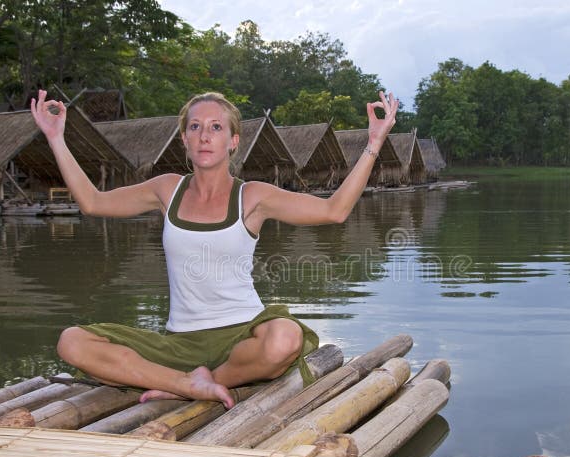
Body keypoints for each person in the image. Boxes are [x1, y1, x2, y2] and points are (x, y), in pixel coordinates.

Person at [30, 88, 399, 408]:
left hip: (243, 338)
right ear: (185, 140)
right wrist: (56, 138)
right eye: (195, 127)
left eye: (216, 127)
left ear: (233, 141)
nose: (205, 136)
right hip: (179, 343)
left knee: (284, 337)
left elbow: (334, 211)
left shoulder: (252, 196)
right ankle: (186, 384)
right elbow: (93, 202)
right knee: (73, 342)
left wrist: (374, 143)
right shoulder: (166, 189)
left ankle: (211, 377)